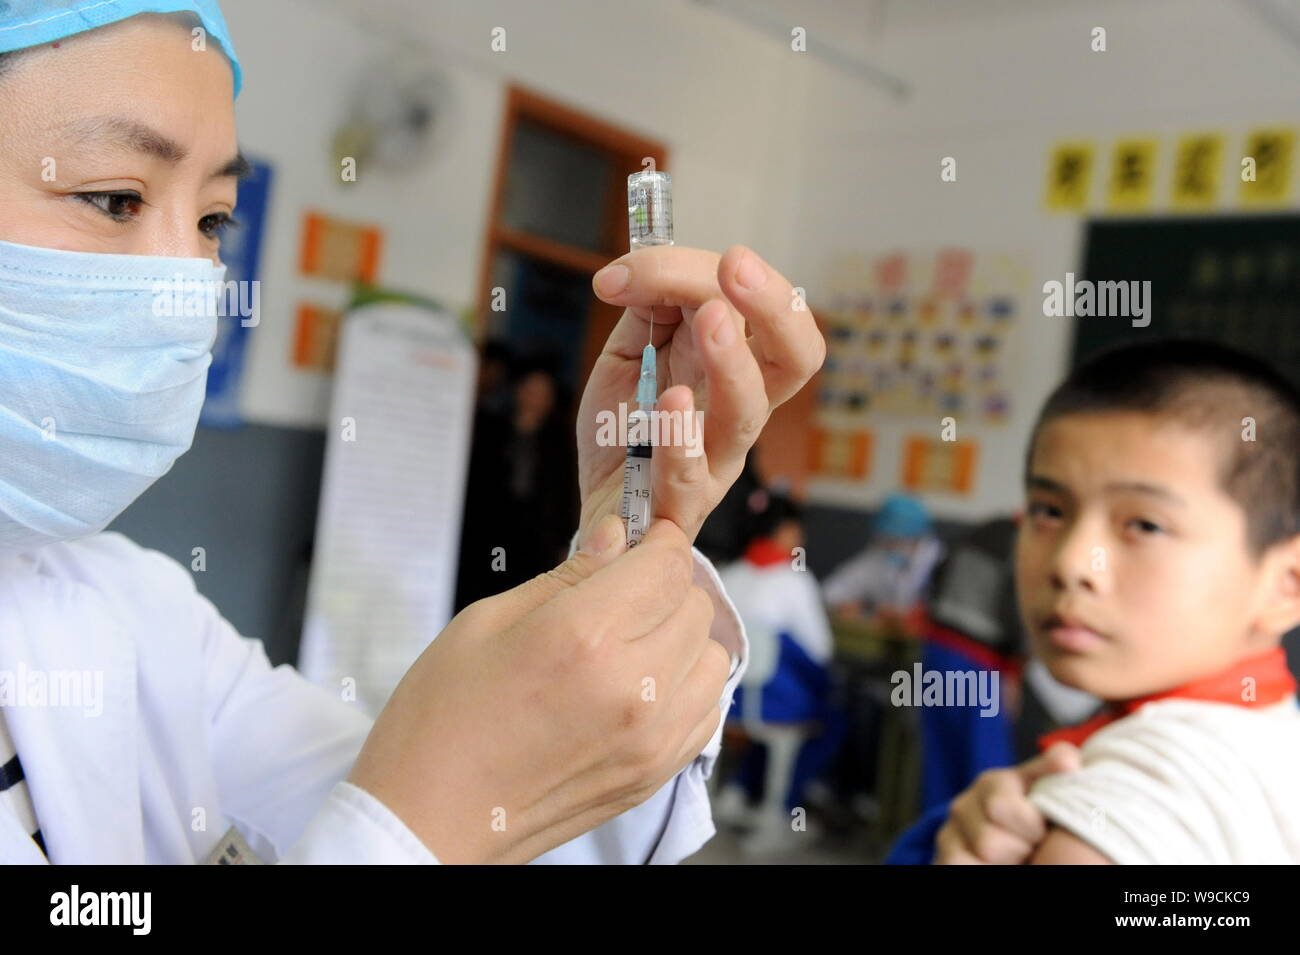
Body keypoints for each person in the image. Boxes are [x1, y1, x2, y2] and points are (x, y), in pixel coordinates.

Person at [0, 3, 825, 864]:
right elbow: (414, 824)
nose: (188, 285)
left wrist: (627, 540)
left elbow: (503, 813)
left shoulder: (128, 611)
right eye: (113, 197)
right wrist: (411, 833)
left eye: (214, 220)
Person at [930, 340, 1300, 864]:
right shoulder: (1272, 733)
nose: (1072, 564)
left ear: (1287, 585)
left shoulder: (1123, 809)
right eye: (1049, 511)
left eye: (1144, 524)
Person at [713, 487, 843, 853]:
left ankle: (738, 791)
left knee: (772, 720)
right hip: (773, 705)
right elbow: (822, 651)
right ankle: (781, 811)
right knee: (830, 719)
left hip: (728, 703)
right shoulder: (795, 581)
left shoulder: (730, 574)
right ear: (784, 531)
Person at [822, 492, 944, 629]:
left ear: (919, 535)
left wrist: (909, 615)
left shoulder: (940, 562)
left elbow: (942, 613)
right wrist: (862, 607)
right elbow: (830, 592)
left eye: (900, 539)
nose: (893, 545)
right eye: (888, 538)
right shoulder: (876, 556)